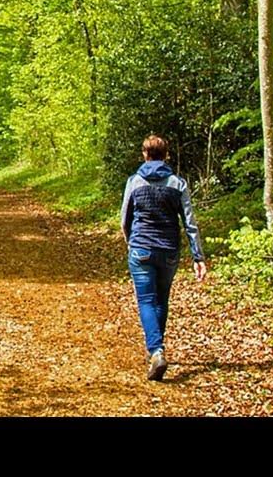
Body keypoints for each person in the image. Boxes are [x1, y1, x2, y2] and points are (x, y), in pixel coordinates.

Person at [119, 134, 207, 381]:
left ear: (145, 155)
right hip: (169, 250)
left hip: (141, 248)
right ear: (166, 155)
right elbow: (190, 223)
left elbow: (124, 219)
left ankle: (156, 351)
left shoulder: (134, 182)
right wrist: (197, 256)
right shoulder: (178, 184)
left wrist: (131, 243)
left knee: (146, 300)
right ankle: (157, 348)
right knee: (161, 299)